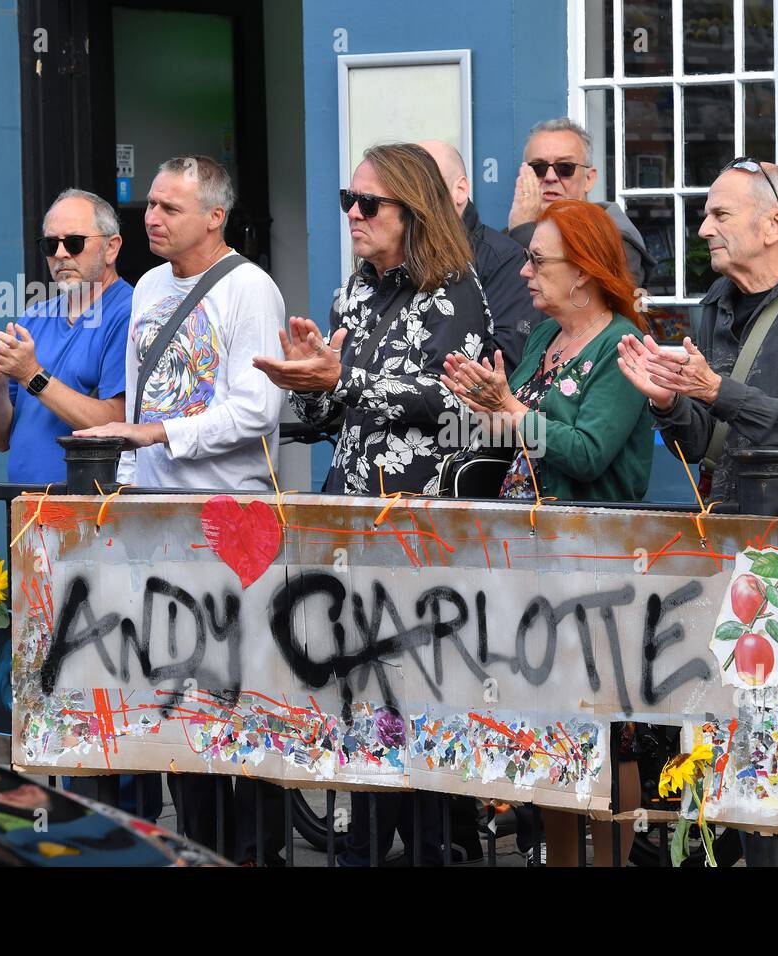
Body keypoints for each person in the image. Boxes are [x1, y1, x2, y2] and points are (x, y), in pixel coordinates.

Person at [255, 142, 493, 864]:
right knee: (359, 700)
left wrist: (343, 381)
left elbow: (453, 399)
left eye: (370, 204)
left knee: (411, 703)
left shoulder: (456, 293)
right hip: (350, 523)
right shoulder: (353, 293)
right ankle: (365, 849)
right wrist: (311, 381)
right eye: (347, 201)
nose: (353, 215)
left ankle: (426, 849)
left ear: (414, 212)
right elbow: (337, 419)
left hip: (415, 533)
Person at [74, 155, 286, 863]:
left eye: (169, 207)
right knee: (177, 702)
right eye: (151, 206)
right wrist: (132, 479)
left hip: (231, 522)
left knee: (243, 701)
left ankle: (257, 853)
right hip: (158, 517)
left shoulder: (251, 290)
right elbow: (140, 399)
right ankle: (193, 848)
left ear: (214, 216)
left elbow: (257, 410)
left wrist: (160, 433)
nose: (152, 219)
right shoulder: (149, 289)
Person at [442, 198, 652, 866]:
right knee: (550, 732)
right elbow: (516, 432)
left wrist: (512, 411)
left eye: (538, 260)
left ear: (584, 273)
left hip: (591, 564)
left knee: (603, 727)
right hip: (526, 559)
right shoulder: (541, 339)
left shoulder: (622, 348)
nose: (524, 272)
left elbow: (589, 452)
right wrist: (485, 406)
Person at [617, 159, 778, 511]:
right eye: (706, 216)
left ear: (774, 225)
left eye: (721, 215)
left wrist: (717, 390)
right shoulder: (716, 300)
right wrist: (669, 402)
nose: (704, 230)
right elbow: (700, 447)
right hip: (728, 529)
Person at [0, 189, 132, 483]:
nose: (61, 254)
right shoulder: (34, 315)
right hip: (25, 506)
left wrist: (32, 374)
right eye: (50, 244)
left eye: (75, 243)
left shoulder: (129, 311)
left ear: (111, 248)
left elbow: (117, 423)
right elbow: (1, 438)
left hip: (90, 509)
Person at [420, 139, 542, 374]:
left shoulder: (504, 258)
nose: (415, 197)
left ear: (461, 189)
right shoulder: (396, 256)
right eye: (406, 187)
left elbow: (505, 360)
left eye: (426, 184)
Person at [506, 117, 656, 289]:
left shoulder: (614, 238)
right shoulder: (510, 234)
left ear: (589, 179)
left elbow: (587, 300)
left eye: (565, 167)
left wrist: (523, 233)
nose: (550, 177)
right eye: (538, 167)